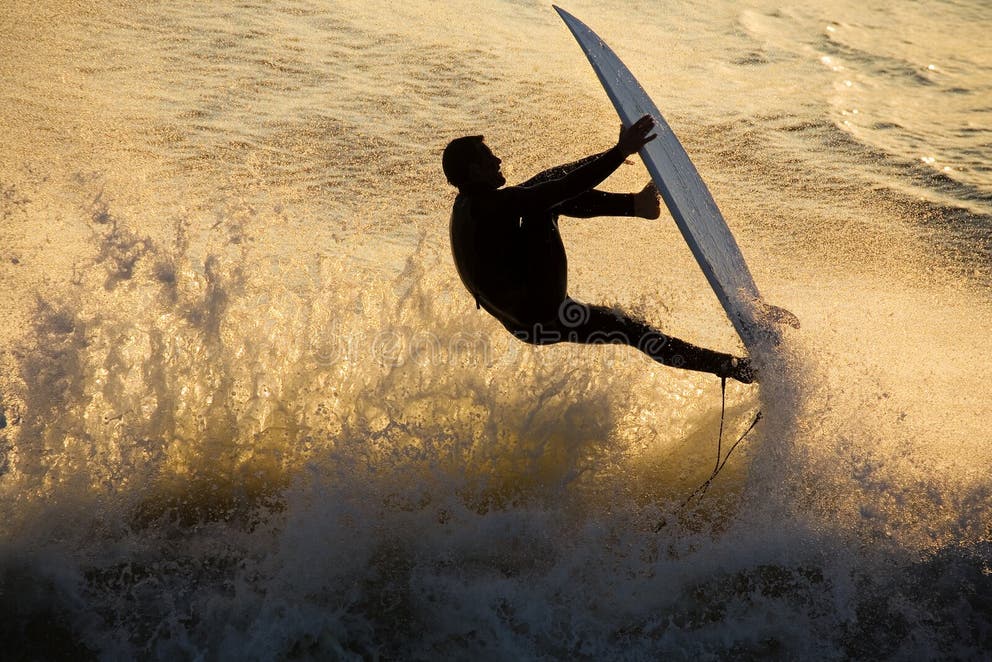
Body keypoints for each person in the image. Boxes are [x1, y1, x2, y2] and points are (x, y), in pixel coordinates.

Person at [442, 115, 754, 383]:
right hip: (544, 308)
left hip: (531, 327)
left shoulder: (471, 204)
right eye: (488, 158)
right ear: (474, 172)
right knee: (544, 202)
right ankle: (638, 205)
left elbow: (554, 185)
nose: (497, 160)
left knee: (633, 331)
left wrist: (609, 155)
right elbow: (563, 188)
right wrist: (619, 152)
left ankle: (737, 370)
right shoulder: (490, 206)